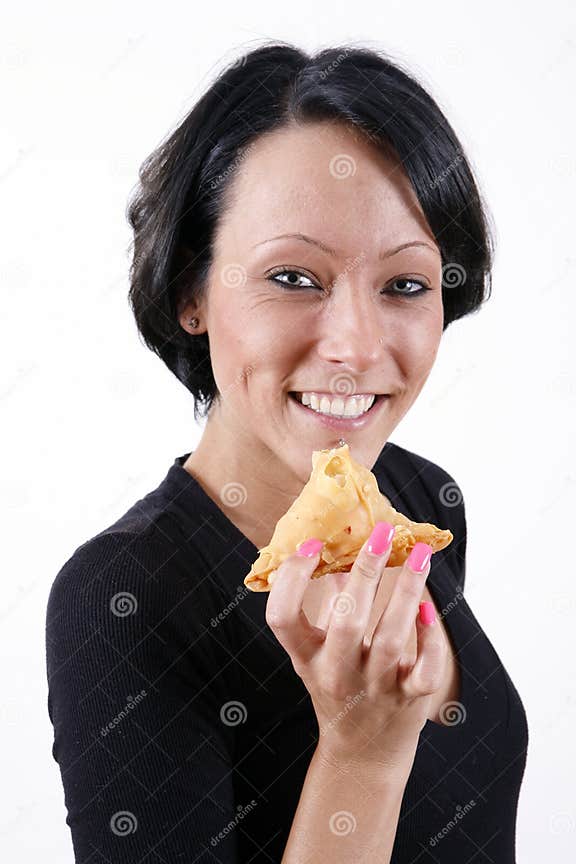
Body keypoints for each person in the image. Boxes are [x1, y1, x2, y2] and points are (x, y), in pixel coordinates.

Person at [45, 42, 528, 863]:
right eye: (295, 278)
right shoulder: (122, 598)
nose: (356, 345)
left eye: (405, 285)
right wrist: (363, 754)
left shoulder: (423, 501)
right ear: (190, 291)